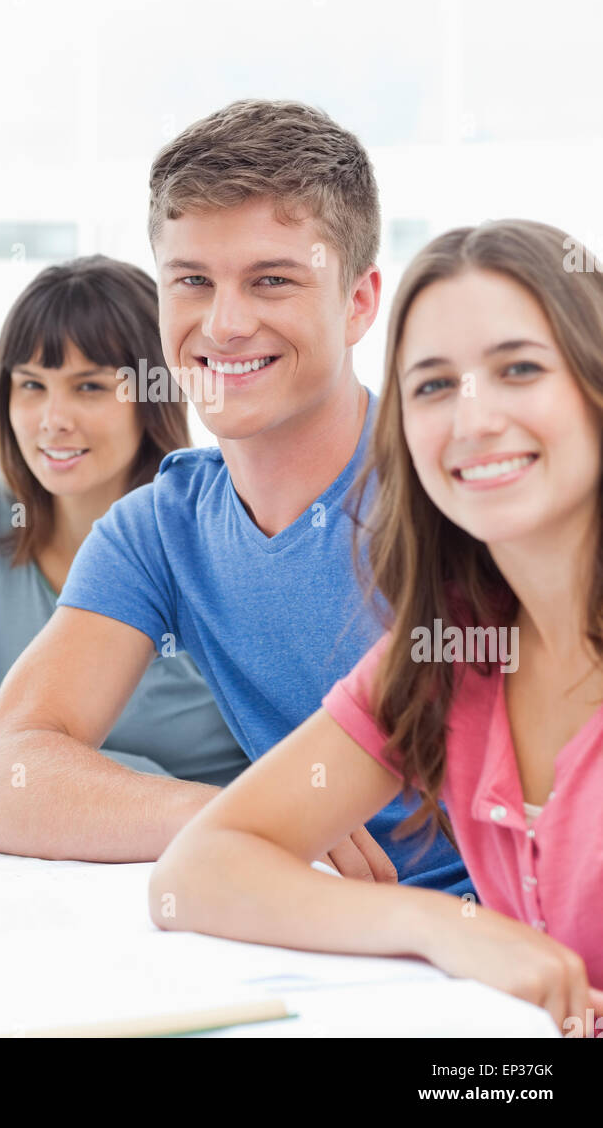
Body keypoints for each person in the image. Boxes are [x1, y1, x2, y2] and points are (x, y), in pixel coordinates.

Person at [0, 98, 469, 895]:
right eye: (192, 280)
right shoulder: (161, 527)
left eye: (272, 280)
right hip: (325, 938)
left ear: (360, 301)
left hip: (515, 950)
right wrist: (239, 821)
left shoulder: (454, 489)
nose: (223, 325)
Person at [149, 218, 603, 1035]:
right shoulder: (451, 654)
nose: (475, 419)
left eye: (520, 370)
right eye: (432, 385)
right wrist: (439, 925)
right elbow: (203, 870)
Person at [0, 256, 249, 789]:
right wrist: (139, 782)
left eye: (89, 387)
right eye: (31, 385)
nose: (52, 420)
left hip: (212, 851)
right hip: (74, 847)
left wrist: (50, 767)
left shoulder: (222, 533)